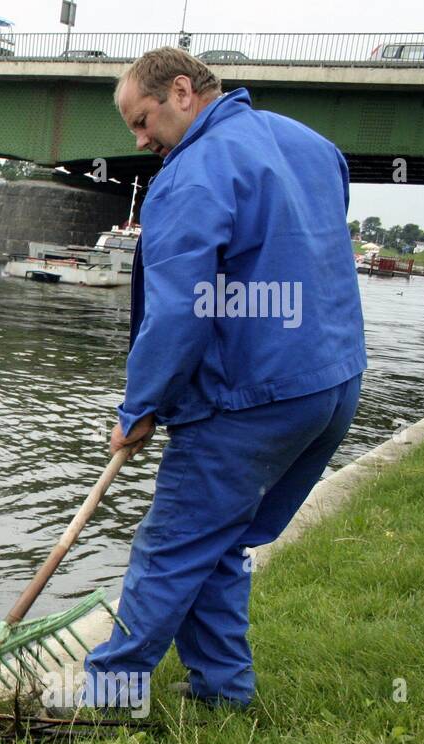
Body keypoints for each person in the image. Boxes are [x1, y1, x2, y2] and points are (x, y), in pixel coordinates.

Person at [80, 47, 366, 709]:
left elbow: (179, 312)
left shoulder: (191, 173)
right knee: (222, 542)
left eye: (142, 120)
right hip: (332, 385)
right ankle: (222, 693)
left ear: (182, 91)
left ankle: (108, 699)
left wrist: (141, 404)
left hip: (250, 396)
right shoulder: (311, 144)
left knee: (172, 546)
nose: (139, 139)